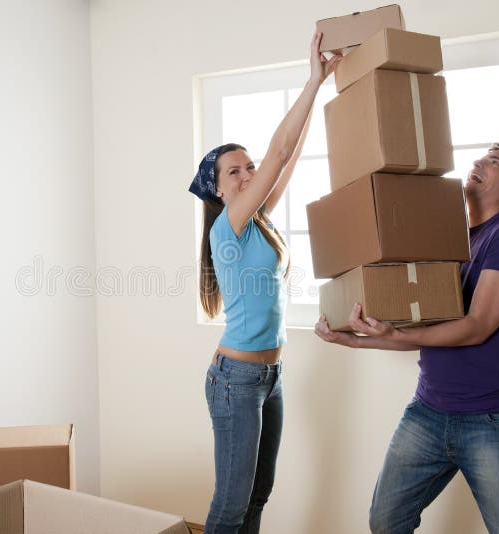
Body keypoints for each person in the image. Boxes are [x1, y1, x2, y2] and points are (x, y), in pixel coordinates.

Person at [315, 143, 499, 533]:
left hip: (489, 418)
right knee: (386, 522)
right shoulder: (450, 241)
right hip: (428, 411)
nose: (478, 163)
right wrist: (355, 340)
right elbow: (429, 334)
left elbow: (477, 326)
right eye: (481, 158)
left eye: (493, 162)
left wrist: (394, 332)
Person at [189, 32, 340, 534]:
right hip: (236, 382)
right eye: (235, 171)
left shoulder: (260, 221)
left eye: (249, 167)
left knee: (258, 497)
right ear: (217, 187)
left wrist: (317, 101)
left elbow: (286, 157)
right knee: (230, 506)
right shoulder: (226, 227)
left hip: (270, 378)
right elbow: (277, 152)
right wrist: (312, 80)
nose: (248, 174)